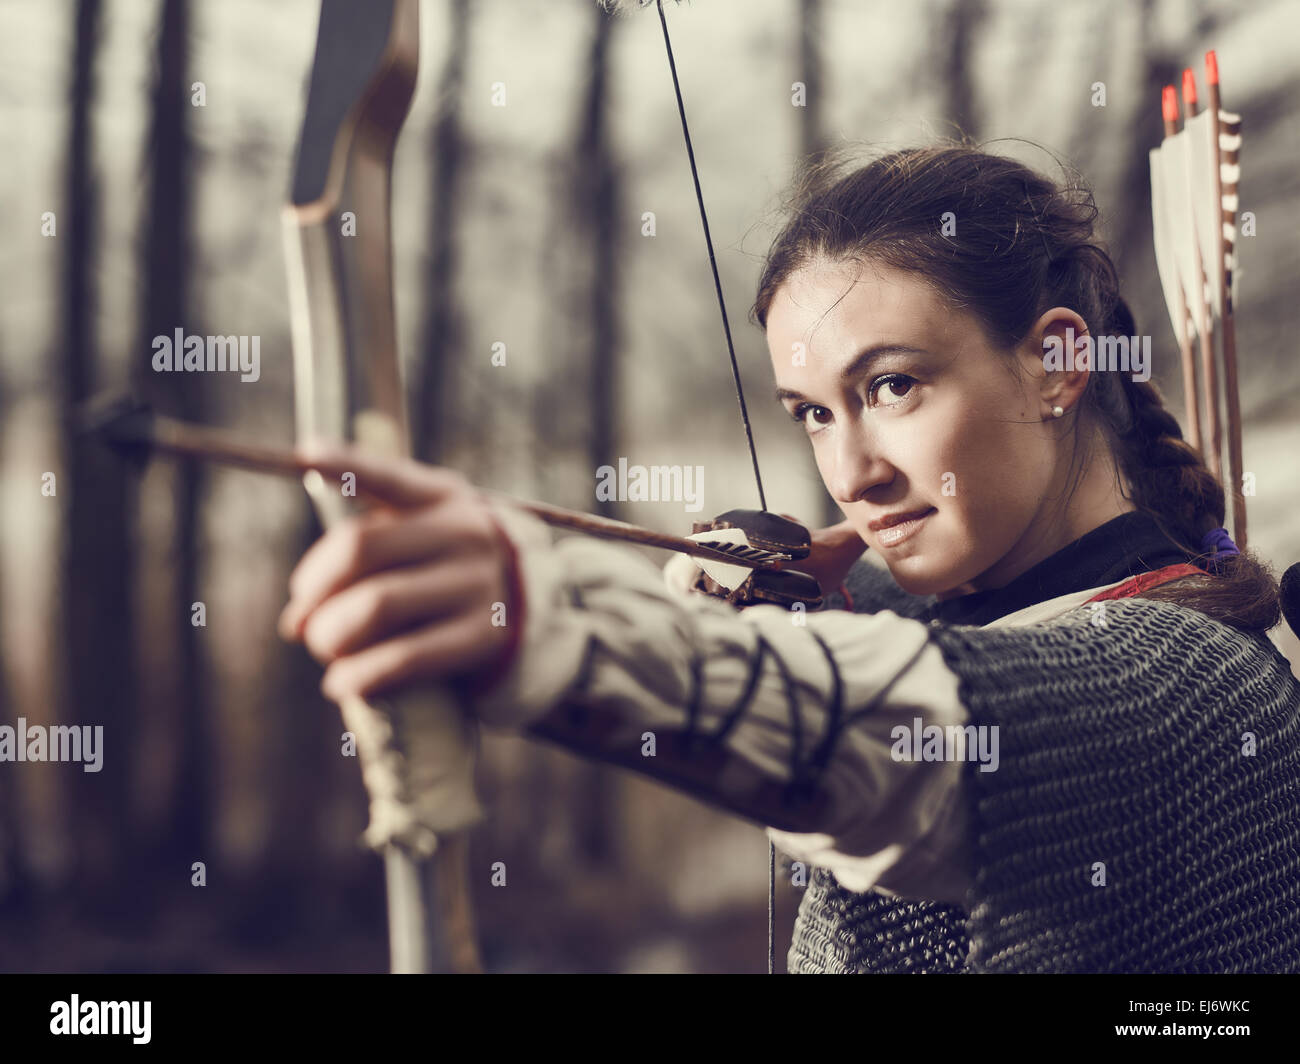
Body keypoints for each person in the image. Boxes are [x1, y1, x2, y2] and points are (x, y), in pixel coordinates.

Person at [277, 145, 1300, 973]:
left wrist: (551, 628)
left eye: (893, 385)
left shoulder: (1190, 685)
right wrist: (803, 620)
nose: (851, 471)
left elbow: (914, 737)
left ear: (1057, 361)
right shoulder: (934, 615)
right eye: (814, 413)